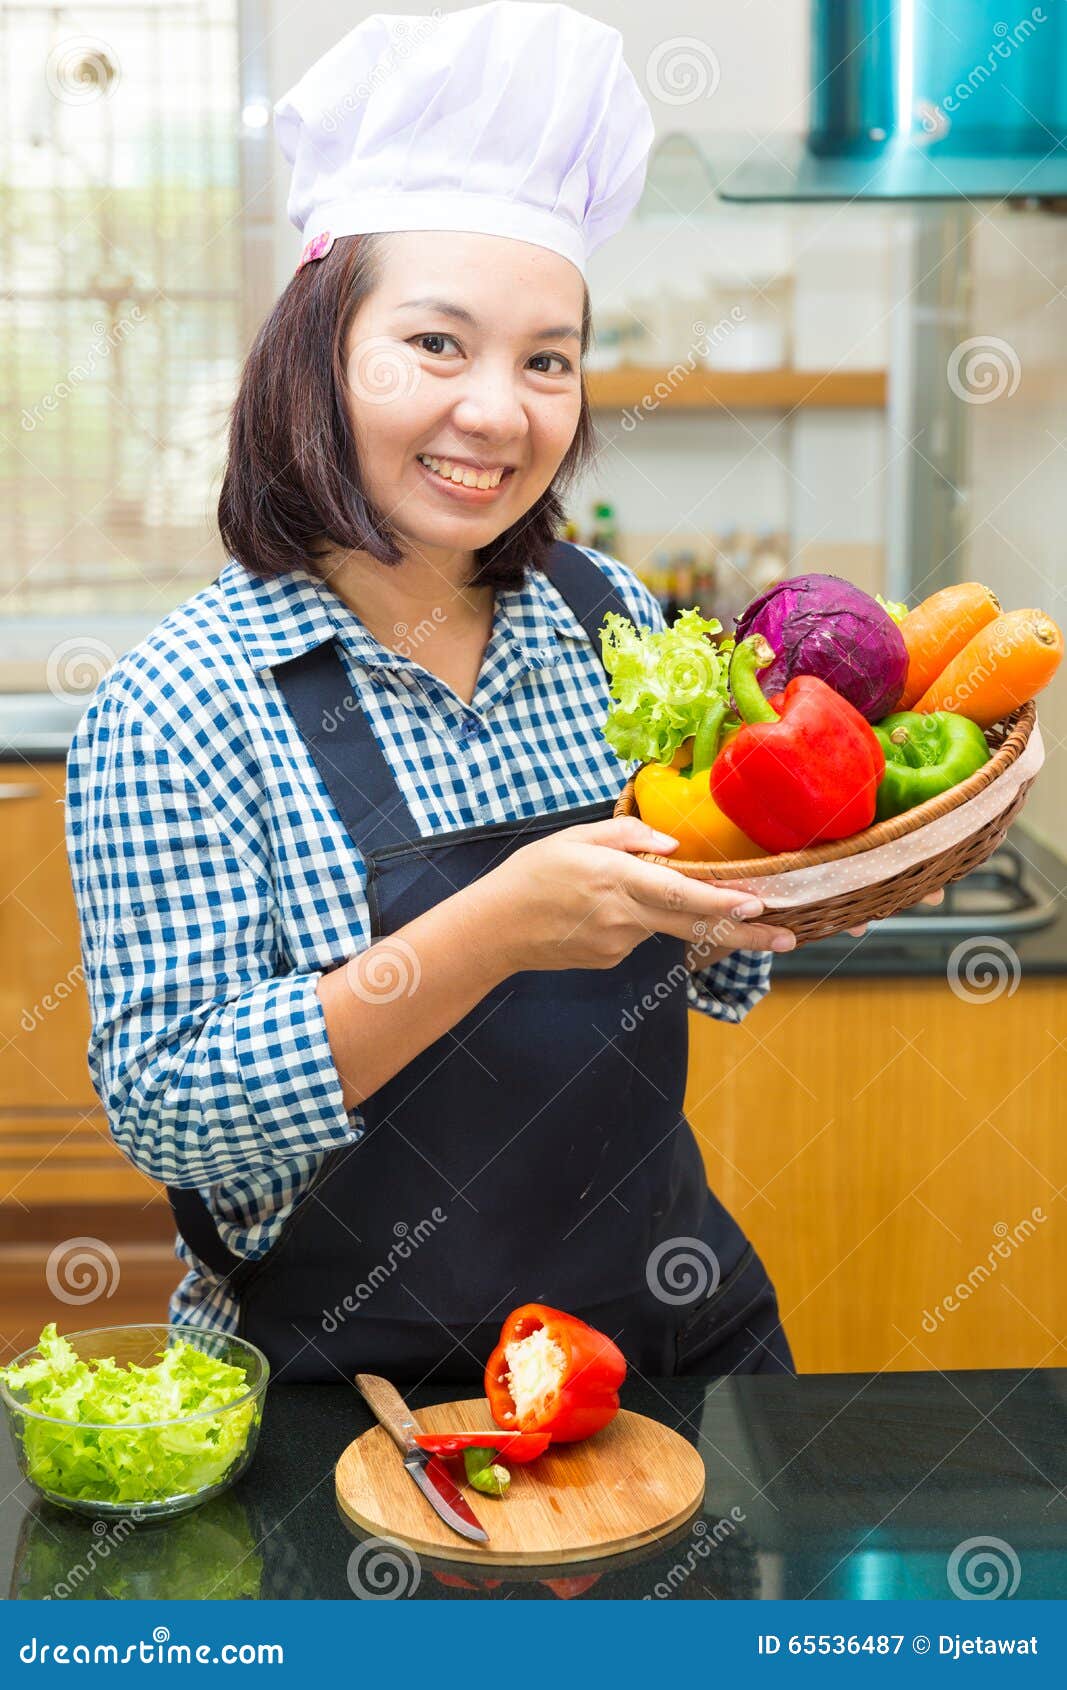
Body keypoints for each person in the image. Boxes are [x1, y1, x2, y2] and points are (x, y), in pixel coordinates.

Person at [65, 2, 940, 1385]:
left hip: (662, 1355)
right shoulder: (183, 703)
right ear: (317, 353)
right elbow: (177, 1113)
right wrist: (491, 931)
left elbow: (694, 994)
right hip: (350, 1397)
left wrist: (821, 869)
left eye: (547, 358)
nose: (498, 409)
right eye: (437, 344)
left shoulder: (616, 627)